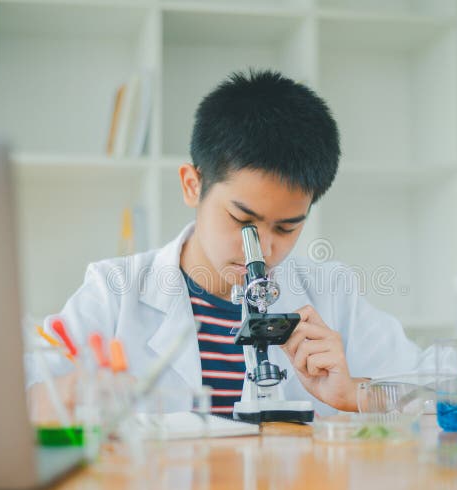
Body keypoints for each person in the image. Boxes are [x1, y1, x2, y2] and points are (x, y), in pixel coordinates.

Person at [33, 70, 421, 417]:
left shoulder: (332, 295)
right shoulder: (113, 291)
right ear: (192, 185)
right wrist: (71, 394)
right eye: (242, 221)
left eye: (286, 228)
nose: (264, 251)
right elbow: (16, 398)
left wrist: (355, 394)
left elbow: (445, 390)